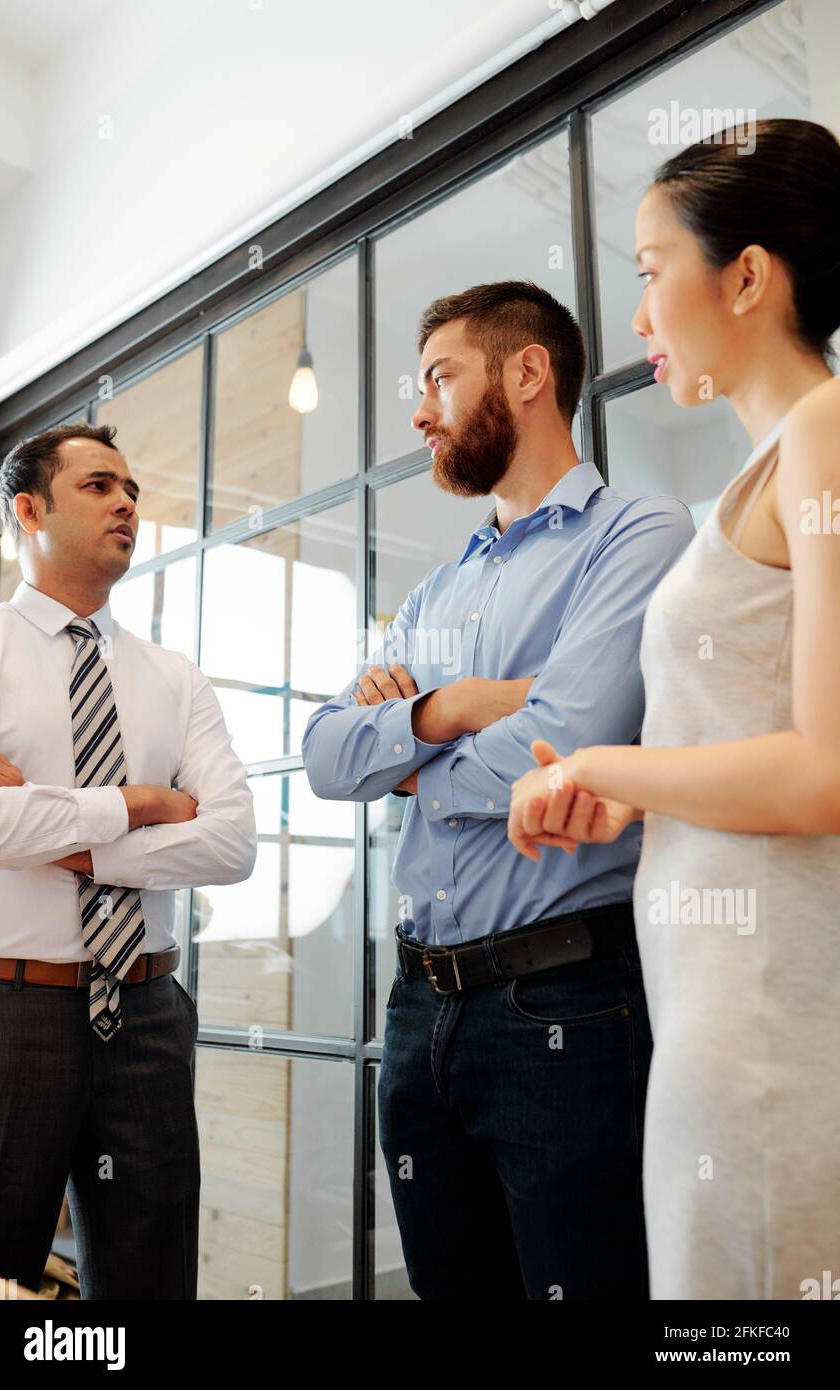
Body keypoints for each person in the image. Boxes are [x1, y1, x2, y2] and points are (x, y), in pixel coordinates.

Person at [302, 280, 694, 1299]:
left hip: (561, 1006)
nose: (420, 409)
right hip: (415, 1010)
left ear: (526, 373)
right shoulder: (438, 588)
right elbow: (328, 756)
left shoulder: (637, 533)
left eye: (439, 377)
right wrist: (453, 708)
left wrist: (413, 759)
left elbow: (565, 740)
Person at [507, 119, 840, 1301]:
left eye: (650, 272)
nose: (637, 316)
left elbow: (823, 775)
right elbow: (752, 744)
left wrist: (606, 763)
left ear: (745, 275)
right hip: (717, 989)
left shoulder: (823, 434)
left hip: (769, 1012)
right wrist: (635, 804)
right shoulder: (762, 472)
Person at [0, 423, 257, 1299]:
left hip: (149, 1014)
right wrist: (139, 804)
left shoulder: (175, 677)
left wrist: (43, 830)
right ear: (28, 510)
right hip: (3, 1015)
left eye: (132, 488)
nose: (127, 503)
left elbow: (232, 842)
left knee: (151, 1281)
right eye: (98, 486)